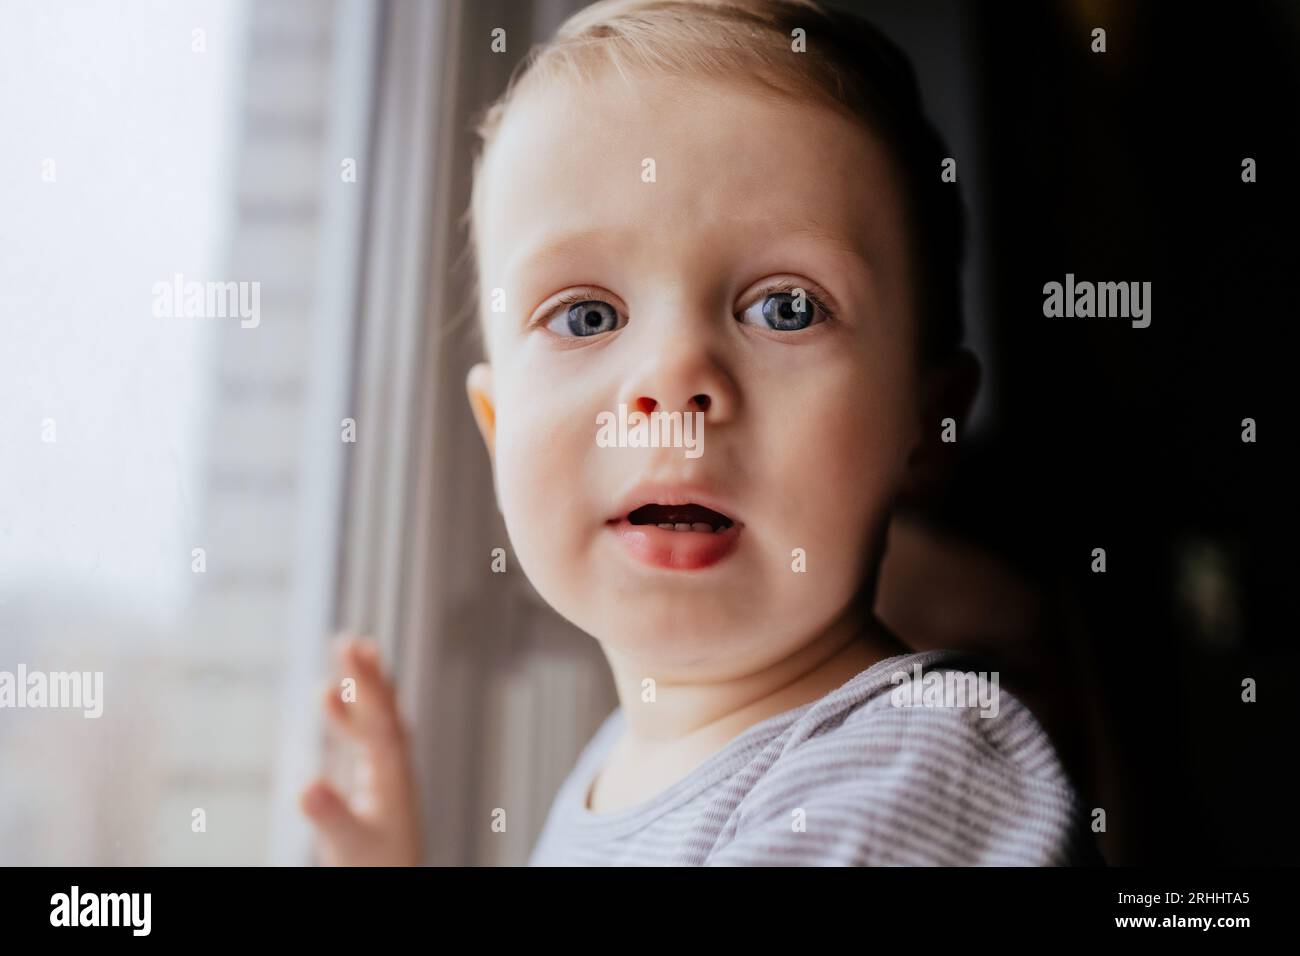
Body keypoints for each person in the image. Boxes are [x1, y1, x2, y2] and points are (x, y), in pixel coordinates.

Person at [300, 0, 1102, 866]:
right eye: (585, 315)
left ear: (928, 425)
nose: (675, 378)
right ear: (497, 431)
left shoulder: (910, 767)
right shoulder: (615, 767)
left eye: (785, 307)